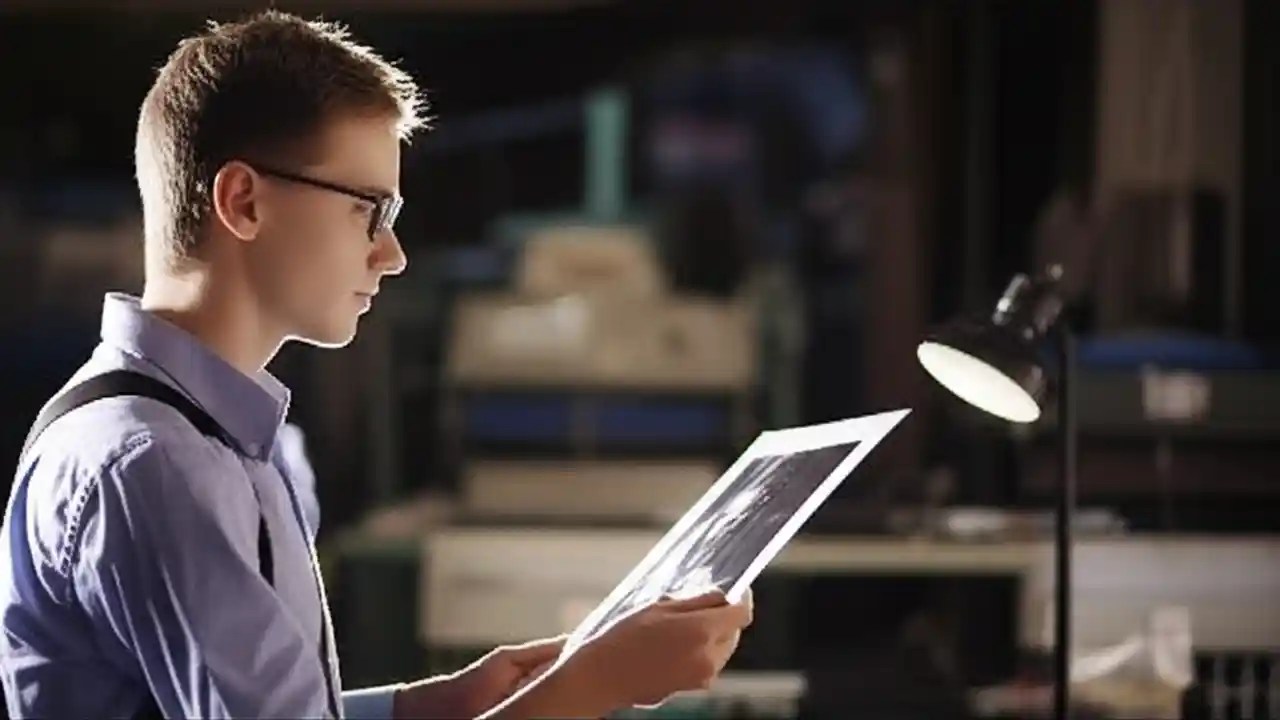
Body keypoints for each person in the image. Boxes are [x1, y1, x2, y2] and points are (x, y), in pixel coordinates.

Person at [0, 11, 752, 720]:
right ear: (243, 201)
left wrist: (431, 706)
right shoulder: (156, 462)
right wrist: (594, 685)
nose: (392, 255)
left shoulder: (204, 440)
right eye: (369, 210)